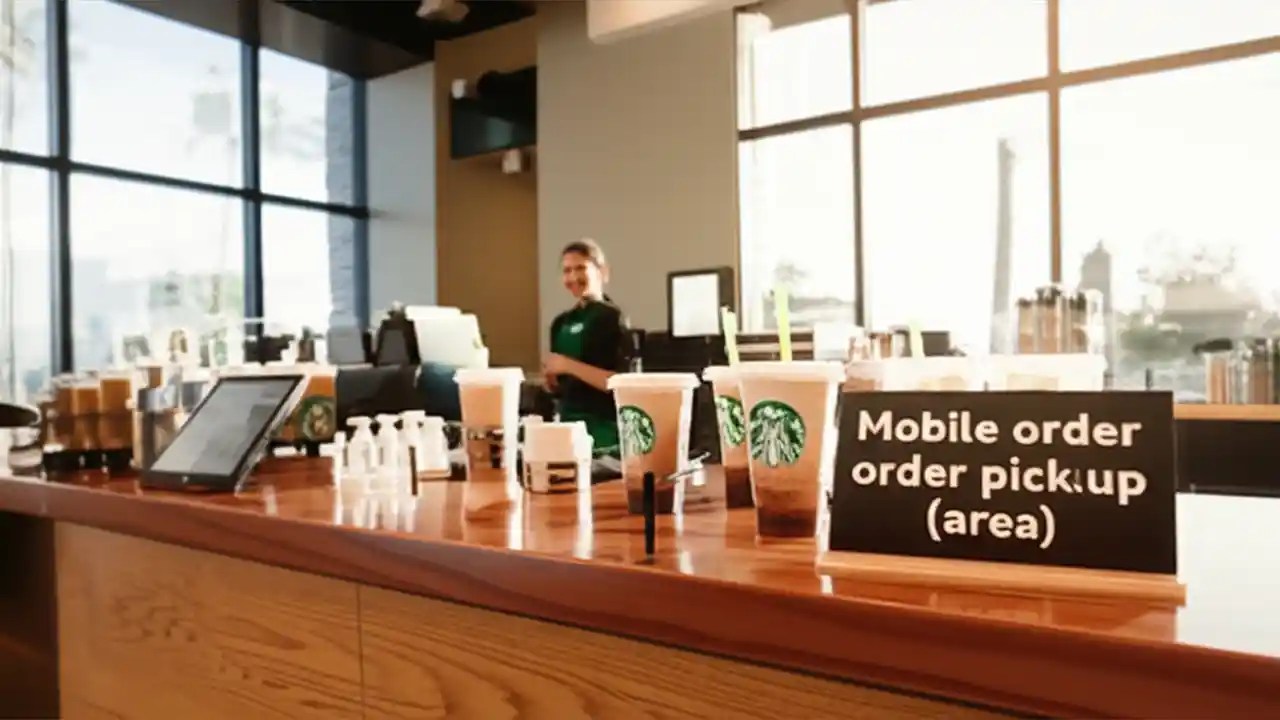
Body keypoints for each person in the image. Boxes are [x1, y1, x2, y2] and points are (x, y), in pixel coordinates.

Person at [544, 239, 629, 454]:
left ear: (602, 272)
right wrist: (551, 380)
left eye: (581, 268)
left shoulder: (612, 318)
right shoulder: (560, 323)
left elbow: (619, 383)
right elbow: (559, 388)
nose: (573, 277)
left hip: (602, 433)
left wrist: (567, 365)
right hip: (566, 430)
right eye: (567, 270)